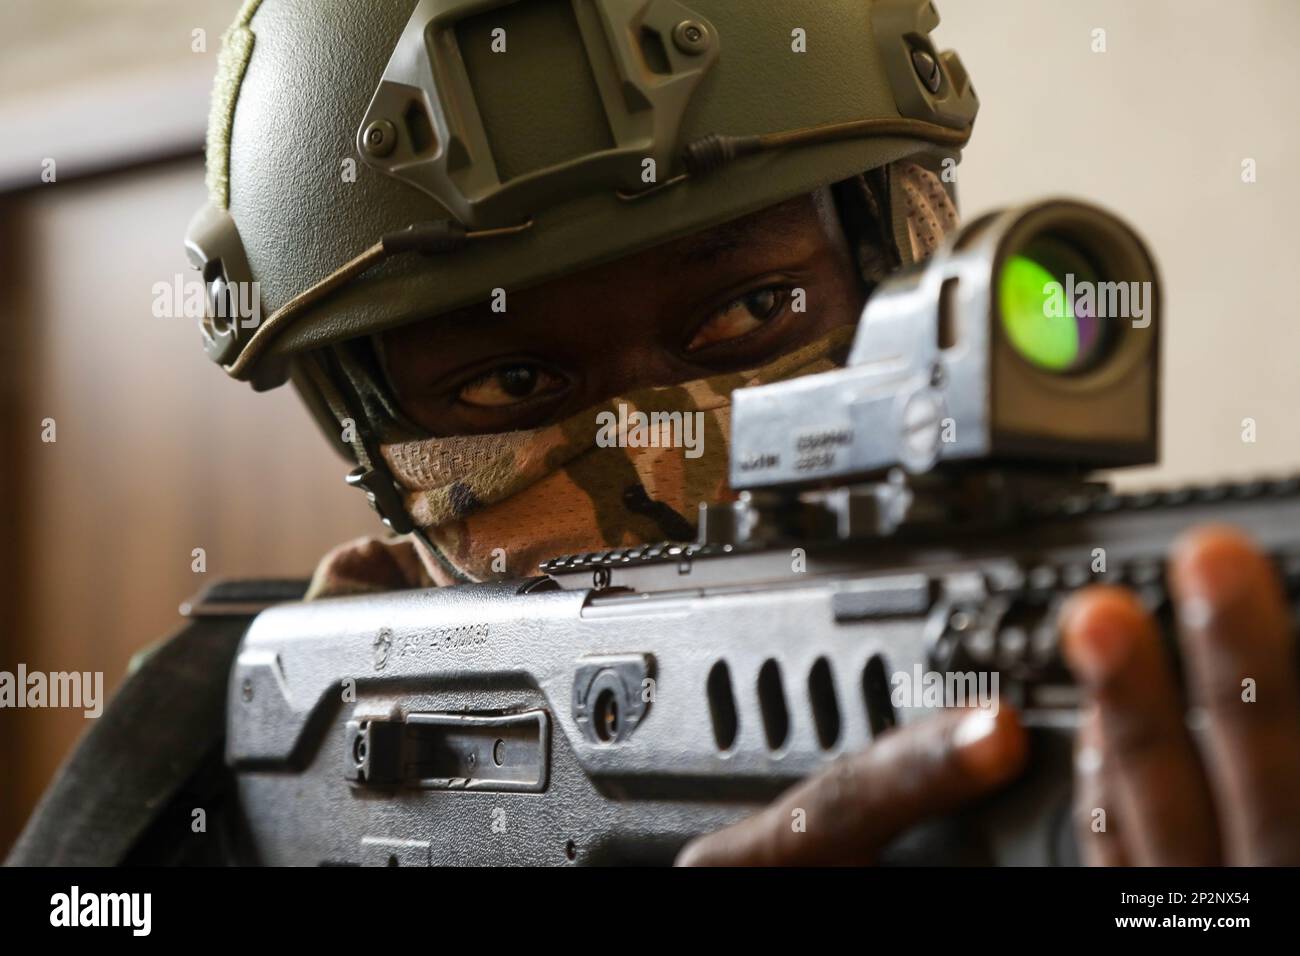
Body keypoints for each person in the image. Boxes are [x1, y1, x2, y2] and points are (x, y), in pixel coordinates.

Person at [15, 0, 1299, 867]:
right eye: (512, 381)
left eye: (751, 311)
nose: (665, 462)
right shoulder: (215, 763)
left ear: (900, 256)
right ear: (374, 441)